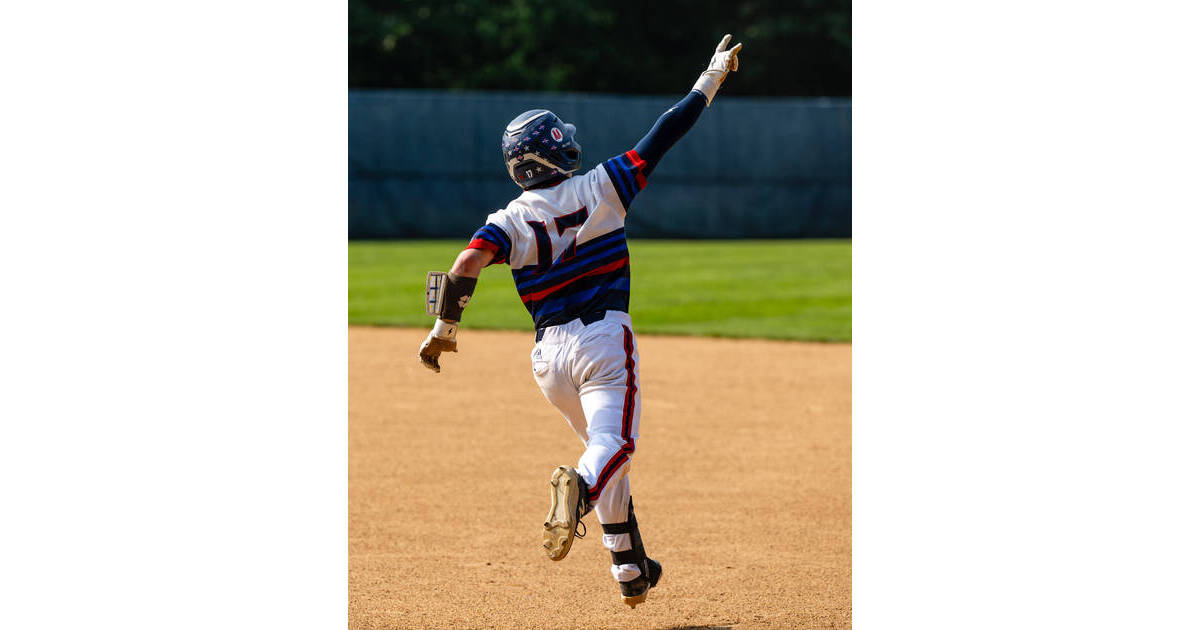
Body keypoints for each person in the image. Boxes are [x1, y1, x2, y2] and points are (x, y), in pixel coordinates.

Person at [418, 34, 742, 608]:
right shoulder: (604, 185)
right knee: (612, 451)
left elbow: (466, 262)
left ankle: (630, 570)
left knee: (602, 445)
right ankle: (581, 490)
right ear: (552, 151)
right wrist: (711, 76)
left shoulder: (509, 219)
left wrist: (443, 329)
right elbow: (666, 130)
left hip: (547, 359)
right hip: (601, 341)